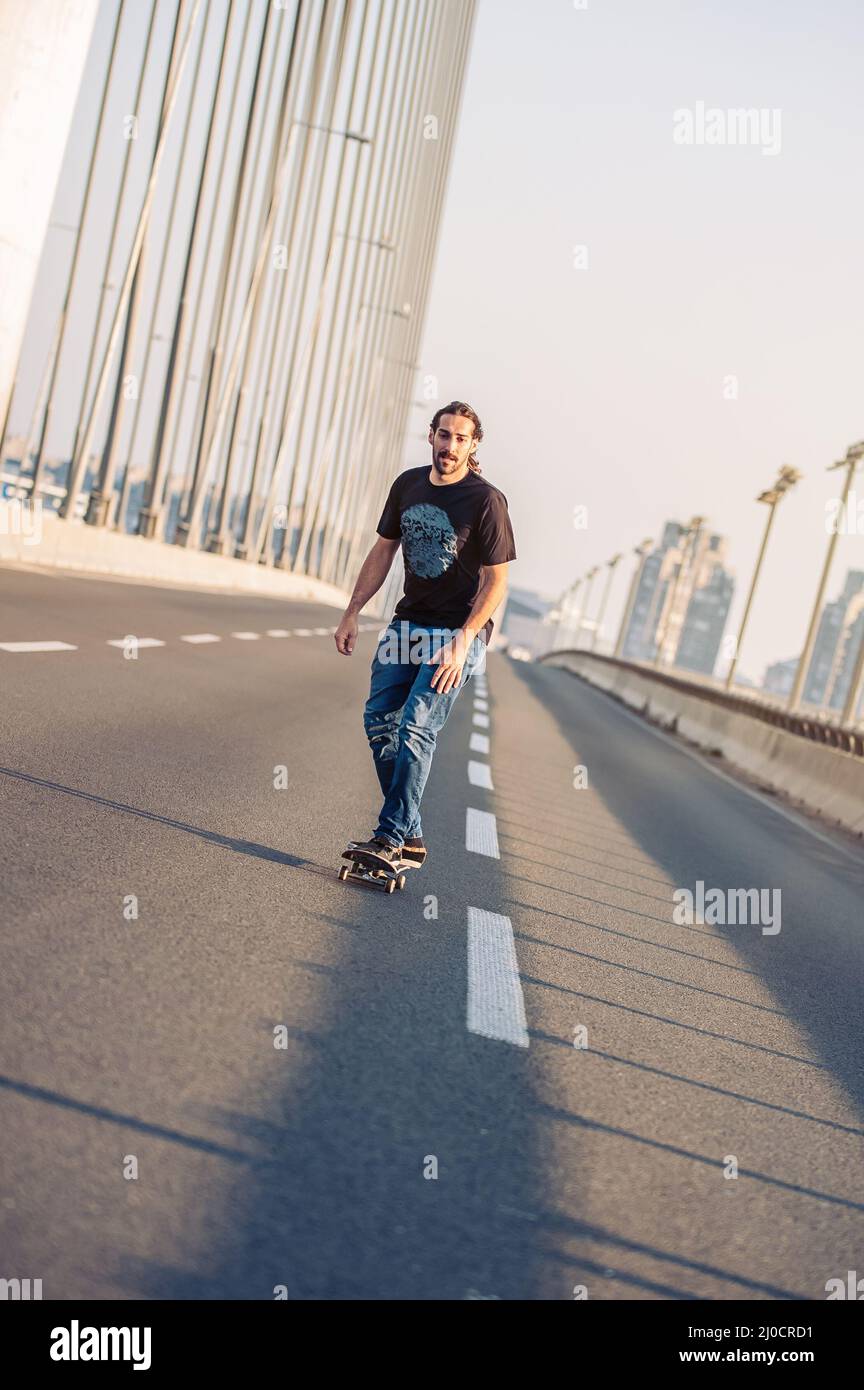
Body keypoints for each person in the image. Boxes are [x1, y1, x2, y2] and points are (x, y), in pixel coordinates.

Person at [334, 400, 517, 867]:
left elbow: (497, 580)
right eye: (443, 435)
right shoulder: (408, 485)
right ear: (431, 437)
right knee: (380, 723)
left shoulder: (486, 501)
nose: (449, 446)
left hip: (458, 633)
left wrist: (464, 641)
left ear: (473, 446)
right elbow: (383, 551)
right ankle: (409, 834)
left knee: (416, 726)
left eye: (460, 438)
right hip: (408, 622)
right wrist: (353, 611)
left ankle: (391, 836)